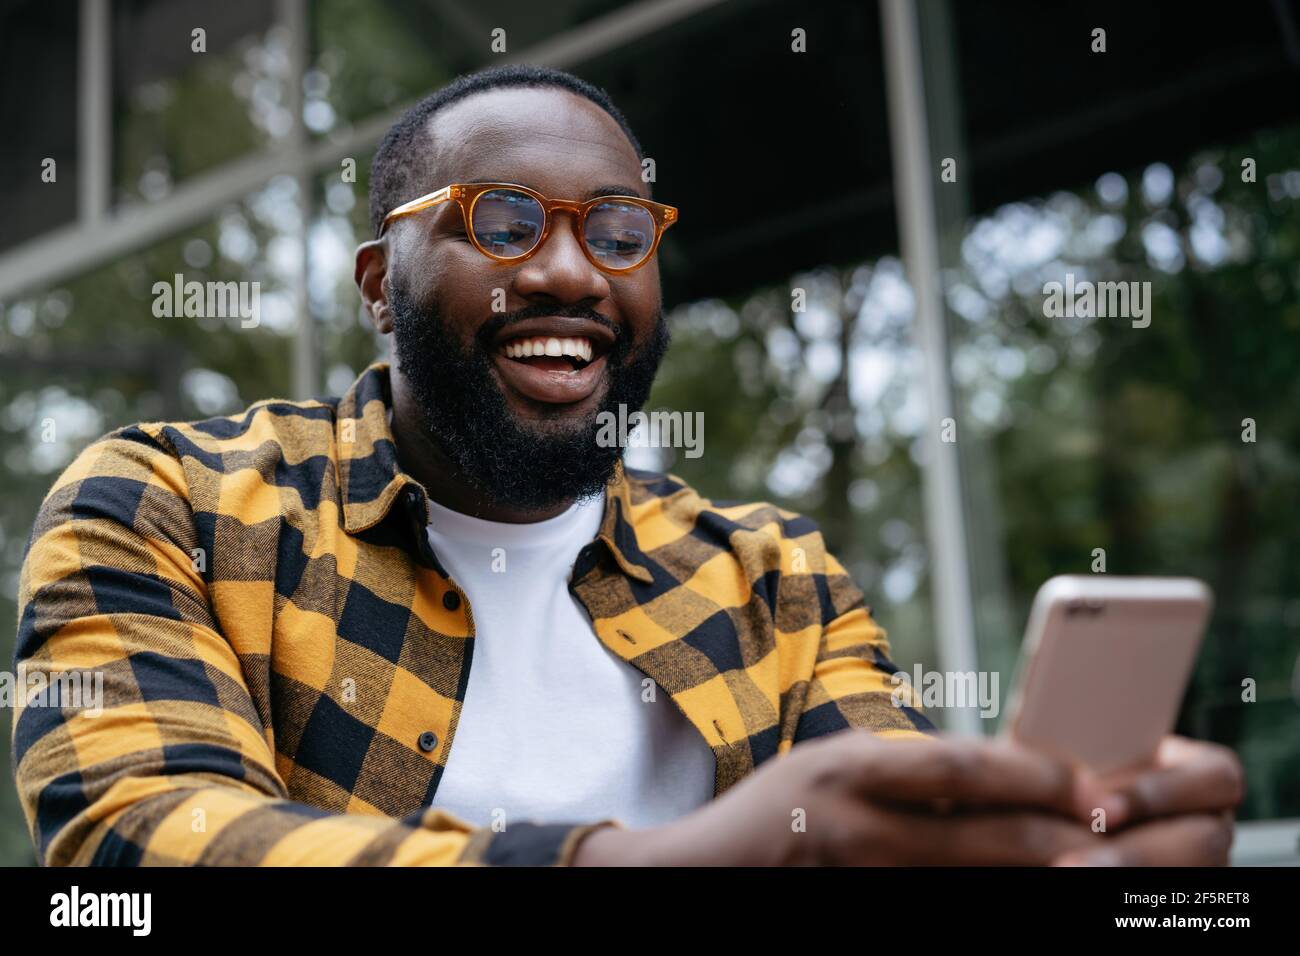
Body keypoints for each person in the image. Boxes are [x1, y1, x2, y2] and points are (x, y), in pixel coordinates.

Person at [10, 64, 1242, 867]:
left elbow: (891, 835)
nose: (569, 272)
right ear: (381, 287)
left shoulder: (776, 580)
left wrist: (1068, 840)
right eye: (501, 221)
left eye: (616, 230)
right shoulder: (171, 506)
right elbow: (131, 845)